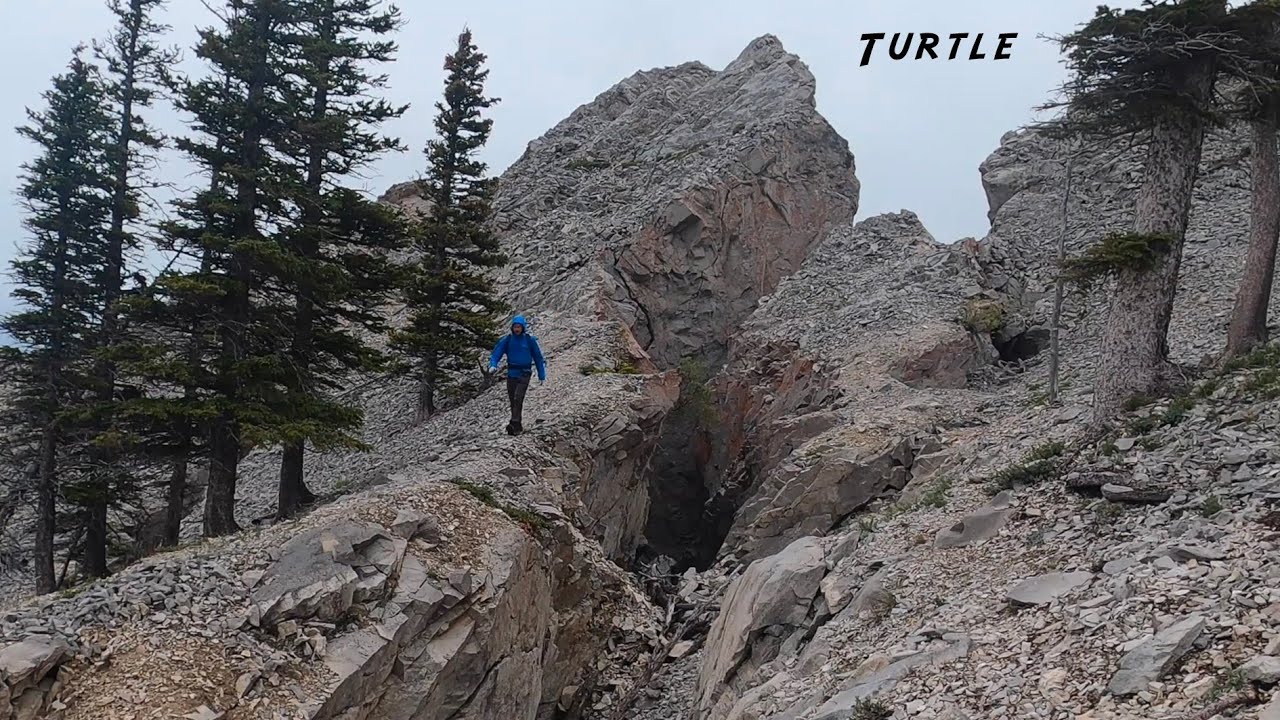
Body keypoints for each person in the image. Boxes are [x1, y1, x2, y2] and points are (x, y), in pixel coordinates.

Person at [488, 314, 546, 435]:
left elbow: (538, 358)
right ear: (512, 327)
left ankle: (513, 422)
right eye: (515, 327)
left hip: (525, 373)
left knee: (518, 397)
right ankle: (517, 425)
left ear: (523, 327)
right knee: (513, 399)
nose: (517, 329)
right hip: (512, 373)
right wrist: (493, 364)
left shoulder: (530, 340)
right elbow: (496, 353)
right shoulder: (507, 340)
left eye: (519, 326)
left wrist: (541, 374)